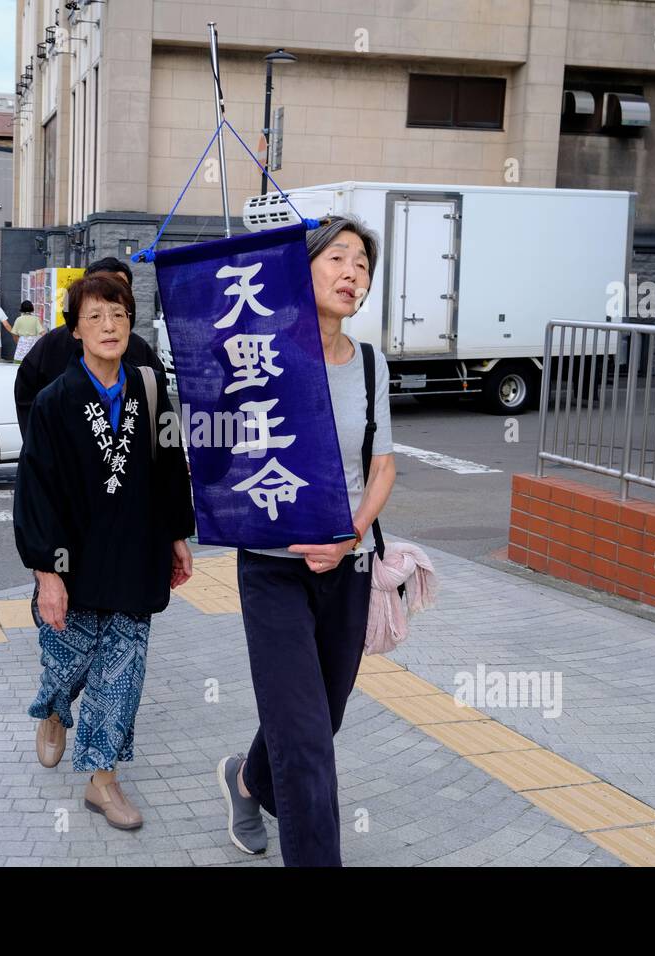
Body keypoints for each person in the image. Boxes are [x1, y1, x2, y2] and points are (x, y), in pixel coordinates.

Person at [215, 217, 396, 867]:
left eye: (364, 265)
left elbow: (382, 465)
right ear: (304, 271)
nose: (353, 272)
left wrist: (350, 536)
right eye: (338, 258)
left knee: (320, 721)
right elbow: (217, 444)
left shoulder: (371, 365)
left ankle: (249, 779)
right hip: (273, 570)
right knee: (310, 748)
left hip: (349, 567)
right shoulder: (259, 356)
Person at [14, 273, 195, 831]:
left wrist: (176, 534)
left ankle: (103, 780)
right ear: (75, 330)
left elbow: (170, 465)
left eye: (117, 314)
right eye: (94, 316)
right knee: (68, 660)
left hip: (137, 554)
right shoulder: (53, 402)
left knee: (122, 673)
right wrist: (47, 573)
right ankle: (52, 705)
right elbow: (36, 490)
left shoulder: (153, 388)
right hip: (73, 559)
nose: (108, 326)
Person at [14, 257, 166, 437]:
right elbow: (26, 394)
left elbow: (163, 430)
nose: (109, 326)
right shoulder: (51, 382)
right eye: (95, 315)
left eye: (117, 310)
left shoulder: (142, 358)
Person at [11, 299, 42, 363]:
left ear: (21, 309)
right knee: (32, 360)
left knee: (19, 361)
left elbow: (14, 333)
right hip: (33, 342)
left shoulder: (18, 319)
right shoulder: (36, 319)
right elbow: (42, 332)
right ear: (32, 308)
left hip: (22, 341)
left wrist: (17, 340)